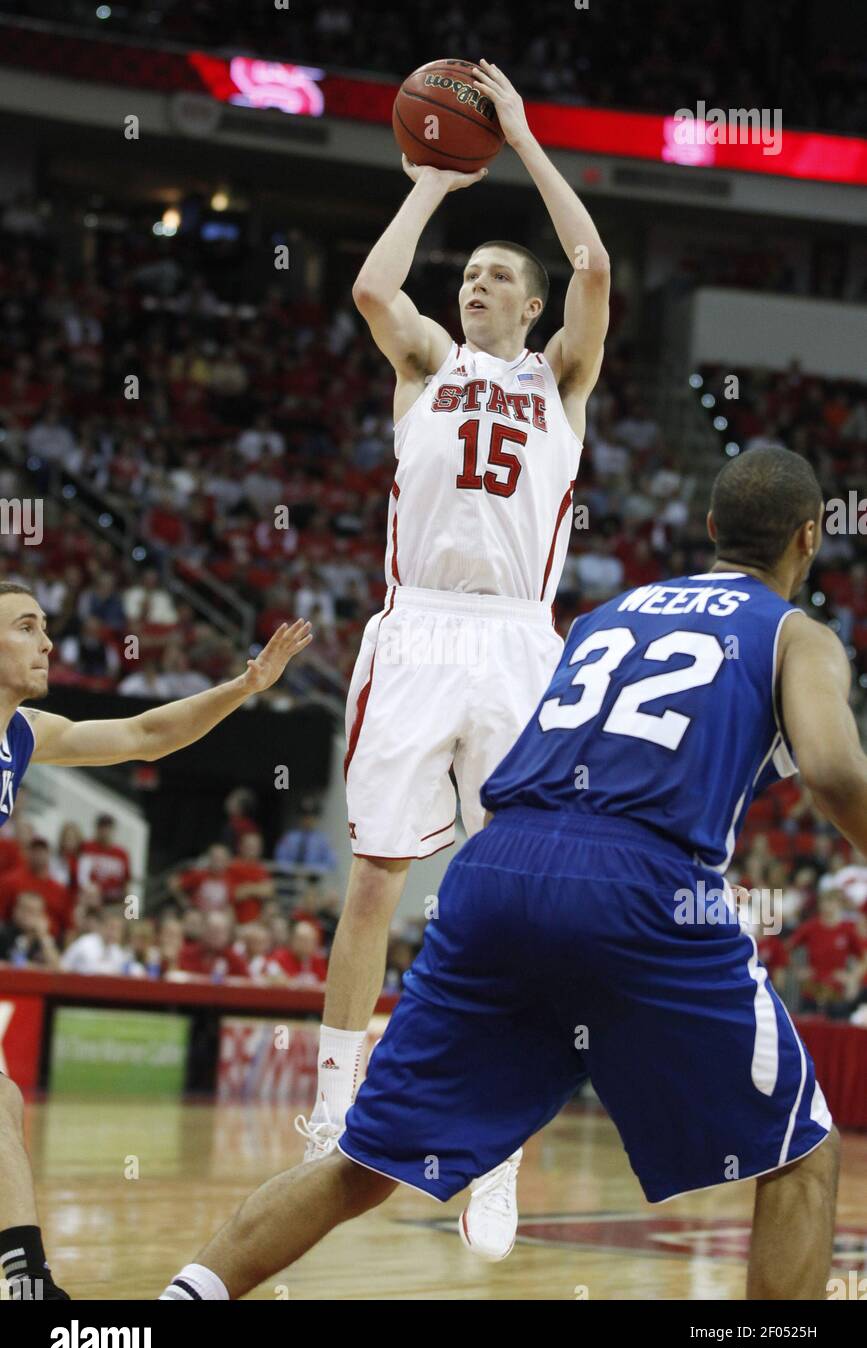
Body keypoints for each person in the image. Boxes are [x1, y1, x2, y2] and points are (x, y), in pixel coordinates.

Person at [160, 446, 847, 1303]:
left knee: (362, 1164)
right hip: (639, 882)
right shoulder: (794, 633)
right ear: (810, 538)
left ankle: (173, 1307)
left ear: (708, 530)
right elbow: (832, 773)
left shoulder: (603, 618)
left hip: (498, 865)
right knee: (799, 1154)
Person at [295, 59, 610, 1258]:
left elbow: (594, 268)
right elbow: (377, 288)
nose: (475, 285)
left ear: (525, 307)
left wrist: (522, 138)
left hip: (520, 644)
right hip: (419, 625)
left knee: (510, 899)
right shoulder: (423, 363)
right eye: (468, 276)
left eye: (494, 277)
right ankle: (334, 1108)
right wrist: (430, 184)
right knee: (376, 877)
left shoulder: (560, 376)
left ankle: (497, 1157)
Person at [0, 579, 311, 1300]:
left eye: (46, 627)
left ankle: (24, 1279)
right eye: (24, 628)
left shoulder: (24, 733)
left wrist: (244, 686)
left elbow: (146, 734)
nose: (47, 642)